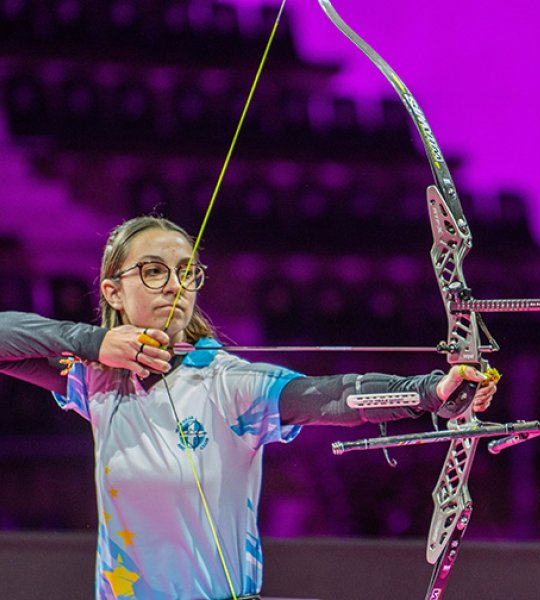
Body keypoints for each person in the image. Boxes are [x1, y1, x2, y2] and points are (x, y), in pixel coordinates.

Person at [0, 216, 498, 599]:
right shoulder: (97, 378)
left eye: (186, 272)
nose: (175, 285)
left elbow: (332, 396)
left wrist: (429, 391)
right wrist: (93, 341)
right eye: (153, 272)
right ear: (113, 290)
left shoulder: (229, 383)